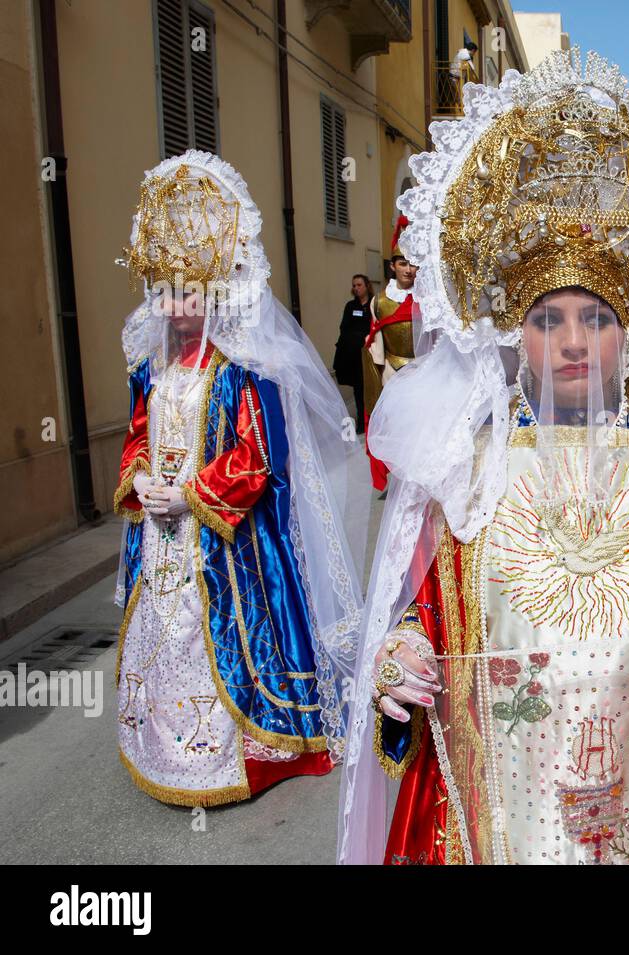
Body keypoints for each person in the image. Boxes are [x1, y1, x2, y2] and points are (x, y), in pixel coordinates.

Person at [338, 49, 629, 865]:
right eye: (547, 317)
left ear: (627, 333)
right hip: (506, 784)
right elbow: (427, 608)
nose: (570, 341)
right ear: (511, 333)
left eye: (595, 317)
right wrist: (404, 655)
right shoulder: (472, 460)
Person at [112, 151, 366, 806]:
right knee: (165, 639)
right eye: (166, 289)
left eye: (188, 289)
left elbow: (259, 454)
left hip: (225, 546)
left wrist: (192, 494)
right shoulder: (151, 365)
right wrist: (139, 479)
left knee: (224, 637)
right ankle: (168, 752)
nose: (176, 305)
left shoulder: (242, 365)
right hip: (161, 542)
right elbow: (139, 432)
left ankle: (241, 754)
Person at [361, 216, 418, 491]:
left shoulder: (428, 298)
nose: (408, 270)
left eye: (412, 263)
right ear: (393, 266)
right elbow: (376, 345)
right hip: (394, 376)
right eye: (403, 263)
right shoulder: (380, 301)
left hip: (426, 373)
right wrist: (384, 378)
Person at [333, 273, 372, 430]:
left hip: (369, 352)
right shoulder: (351, 306)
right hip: (354, 355)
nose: (356, 288)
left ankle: (372, 417)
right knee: (358, 388)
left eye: (359, 285)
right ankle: (362, 421)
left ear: (367, 286)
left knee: (371, 387)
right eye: (354, 285)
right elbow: (344, 327)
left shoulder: (373, 304)